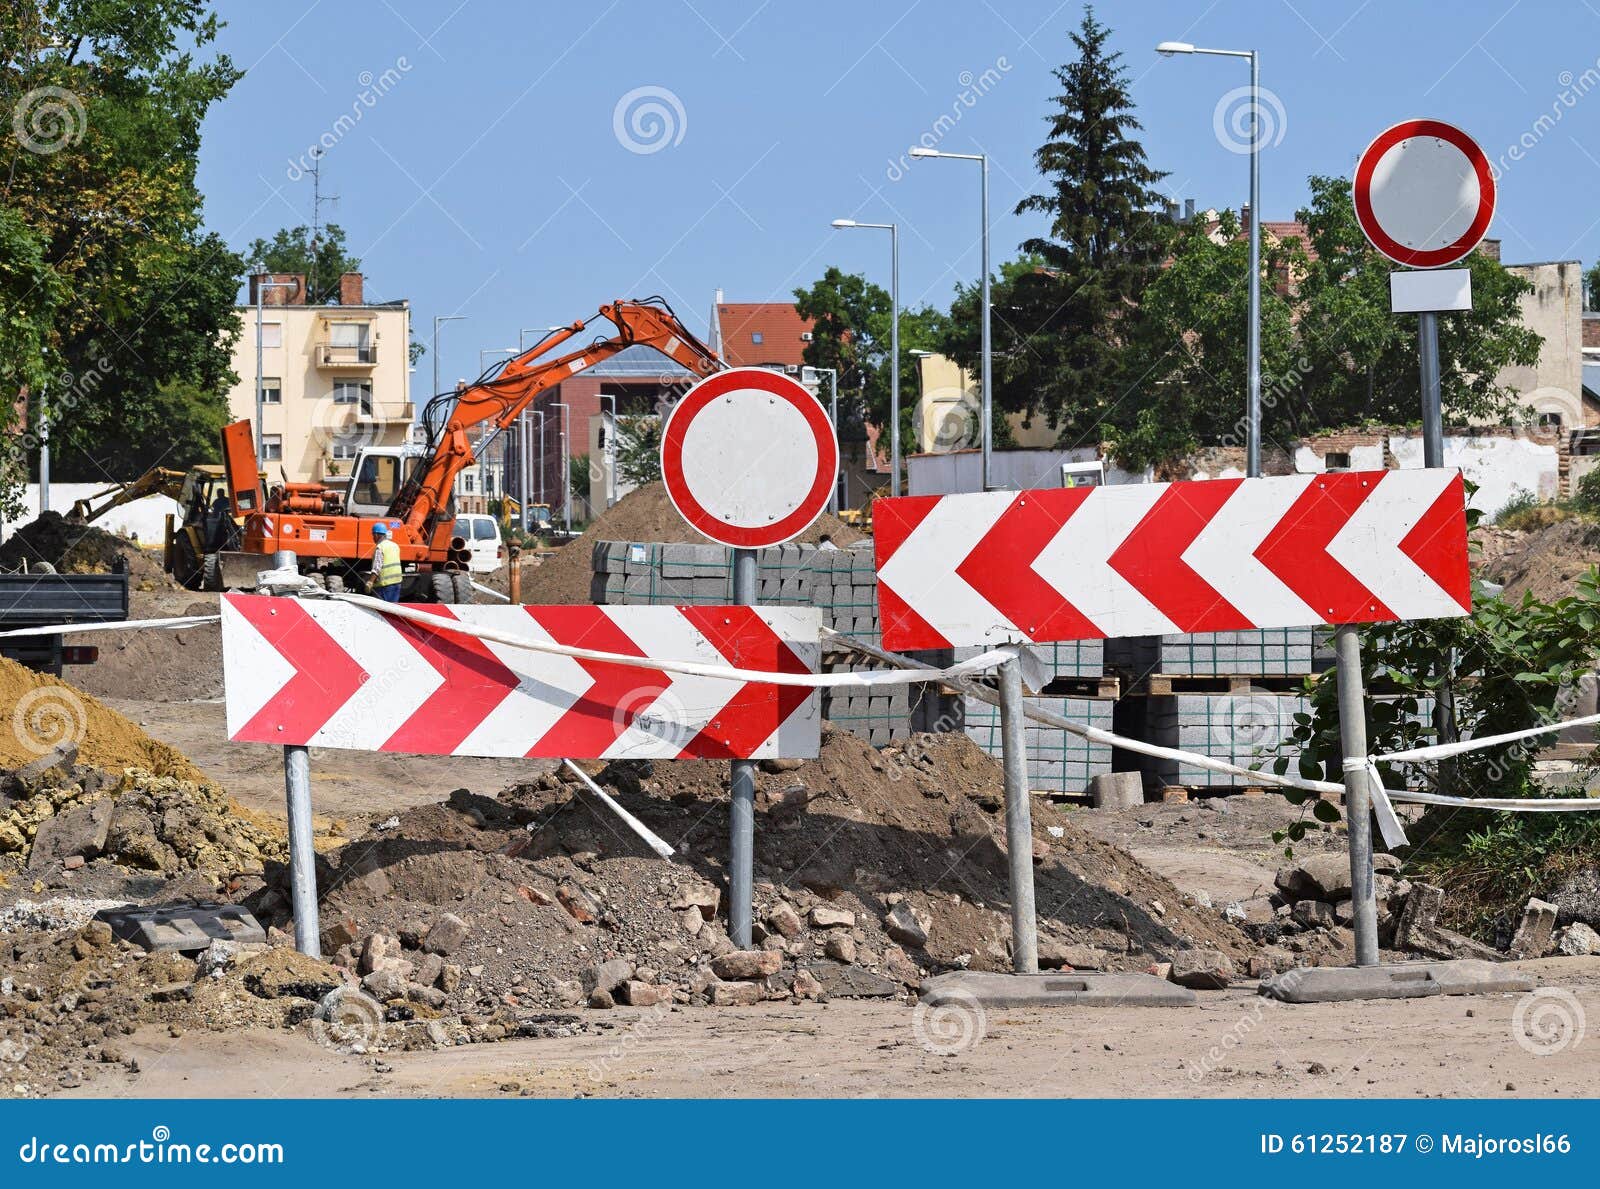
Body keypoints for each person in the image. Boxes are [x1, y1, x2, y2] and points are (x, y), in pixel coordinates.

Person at [370, 522, 403, 602]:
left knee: (381, 610)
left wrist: (370, 582)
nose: (373, 538)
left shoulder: (380, 547)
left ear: (376, 535)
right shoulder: (395, 545)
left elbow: (377, 567)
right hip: (397, 582)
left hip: (385, 585)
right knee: (393, 609)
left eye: (373, 535)